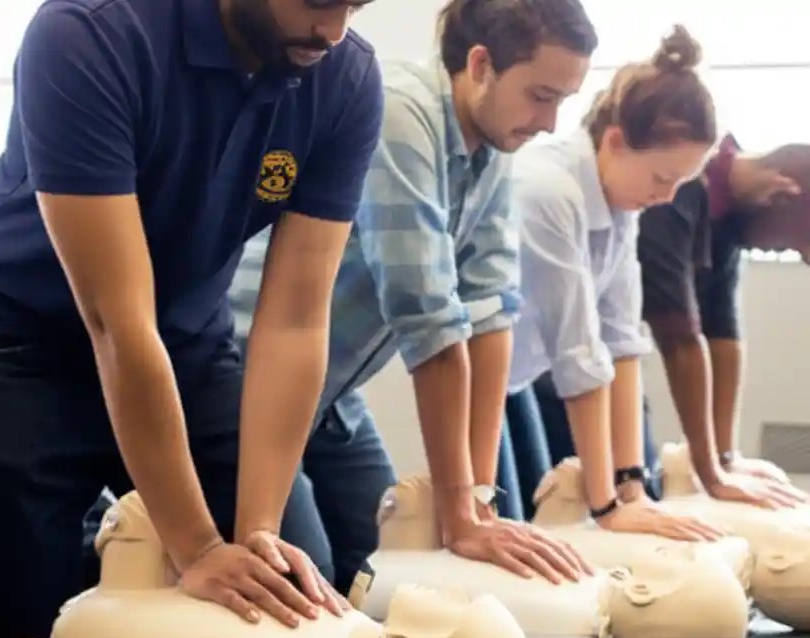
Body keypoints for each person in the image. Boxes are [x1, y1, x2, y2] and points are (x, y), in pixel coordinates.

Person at [0, 0, 385, 638]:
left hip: (188, 344)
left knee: (289, 592)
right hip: (26, 344)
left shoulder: (347, 78)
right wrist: (195, 548)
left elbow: (296, 322)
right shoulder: (86, 33)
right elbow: (116, 321)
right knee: (19, 633)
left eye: (354, 7)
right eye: (317, 3)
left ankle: (98, 536)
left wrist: (259, 533)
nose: (334, 31)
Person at [228, 0, 600, 589]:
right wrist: (458, 516)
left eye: (562, 101)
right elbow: (427, 316)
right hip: (248, 375)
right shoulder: (402, 111)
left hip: (332, 394)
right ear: (481, 65)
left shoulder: (494, 140)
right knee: (309, 580)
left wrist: (477, 502)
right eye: (541, 95)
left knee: (386, 568)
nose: (550, 122)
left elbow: (490, 307)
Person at [501, 25, 727, 540]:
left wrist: (631, 487)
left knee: (549, 528)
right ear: (616, 141)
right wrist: (608, 507)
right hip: (472, 376)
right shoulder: (546, 189)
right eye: (662, 178)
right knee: (515, 531)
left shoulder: (621, 205)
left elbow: (621, 345)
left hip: (518, 377)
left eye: (680, 184)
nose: (668, 197)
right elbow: (580, 352)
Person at [633, 136, 810, 508]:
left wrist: (726, 457)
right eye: (795, 243)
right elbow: (679, 338)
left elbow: (722, 331)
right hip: (555, 356)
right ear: (781, 195)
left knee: (640, 477)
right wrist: (711, 473)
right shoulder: (681, 188)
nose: (796, 254)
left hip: (608, 360)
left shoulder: (731, 213)